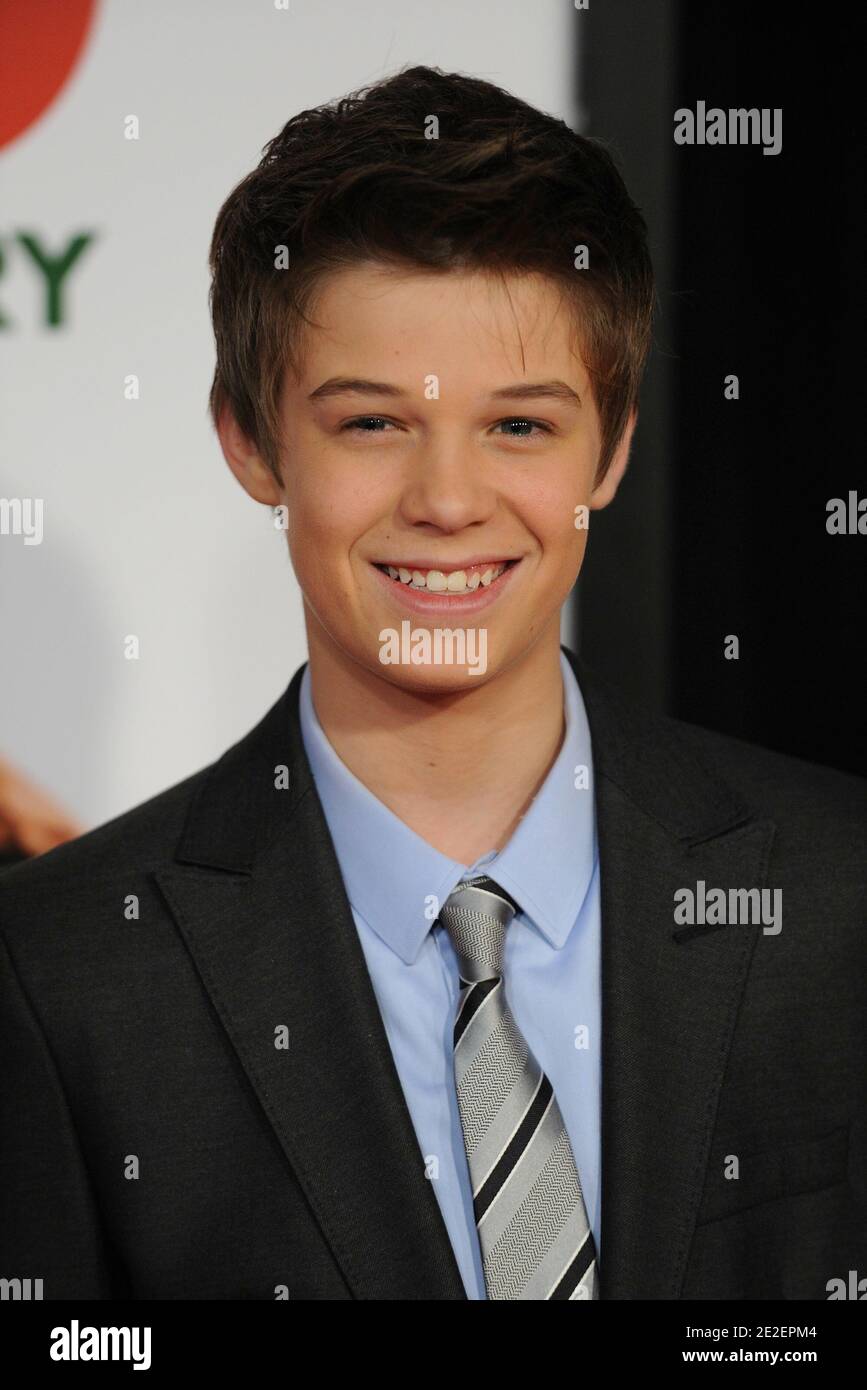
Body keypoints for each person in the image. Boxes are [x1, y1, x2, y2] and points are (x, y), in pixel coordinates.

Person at [1, 65, 864, 1301]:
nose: (449, 502)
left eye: (520, 426)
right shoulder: (61, 971)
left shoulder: (837, 898)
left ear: (611, 449)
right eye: (371, 424)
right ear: (249, 439)